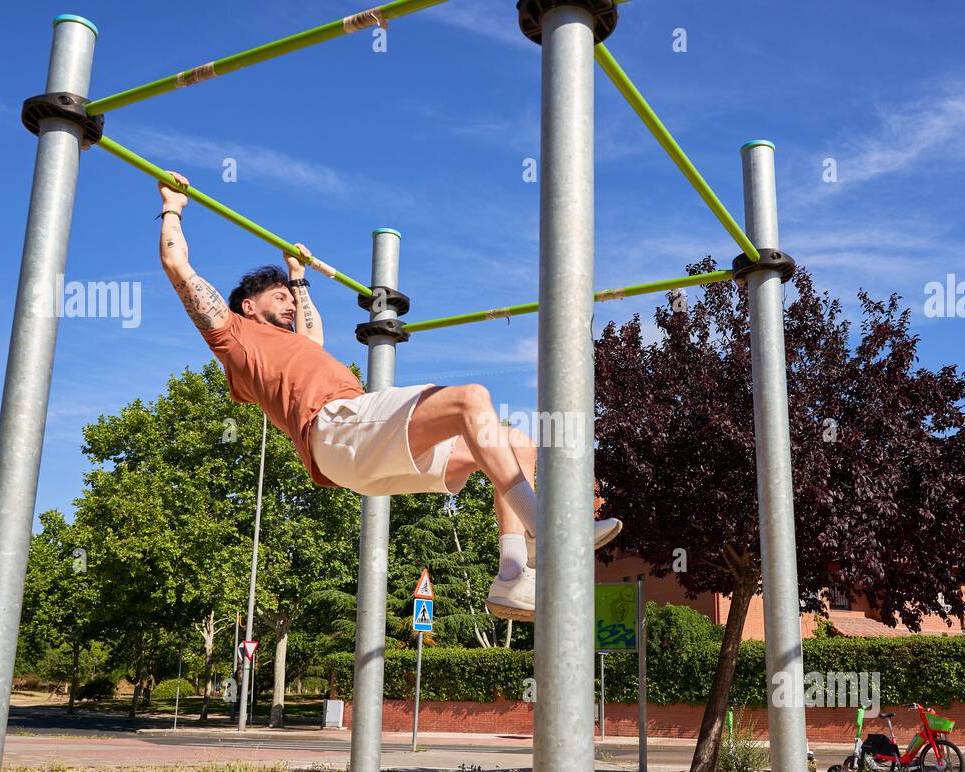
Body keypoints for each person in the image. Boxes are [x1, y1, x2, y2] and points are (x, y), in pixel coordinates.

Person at [156, 172, 619, 620]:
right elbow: (179, 270)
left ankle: (513, 573)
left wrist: (298, 276)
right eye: (279, 297)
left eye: (291, 300)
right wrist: (172, 208)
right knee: (469, 399)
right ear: (248, 306)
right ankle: (552, 533)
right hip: (336, 428)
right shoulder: (234, 336)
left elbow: (312, 332)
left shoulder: (295, 345)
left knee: (517, 443)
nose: (291, 305)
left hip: (360, 457)